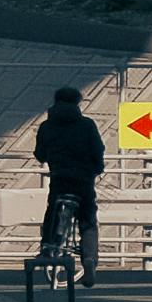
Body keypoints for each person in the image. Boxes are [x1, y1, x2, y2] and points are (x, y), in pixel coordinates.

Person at [35, 86, 106, 269]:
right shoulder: (87, 125)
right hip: (84, 180)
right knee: (87, 219)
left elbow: (40, 153)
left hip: (60, 179)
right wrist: (97, 168)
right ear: (77, 103)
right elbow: (98, 150)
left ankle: (47, 247)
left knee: (52, 211)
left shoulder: (46, 126)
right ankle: (89, 259)